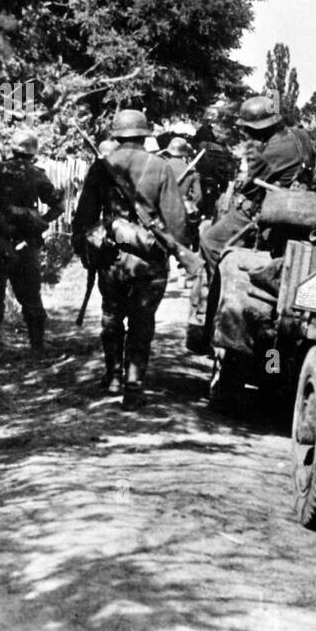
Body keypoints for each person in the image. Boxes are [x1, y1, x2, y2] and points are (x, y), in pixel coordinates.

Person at [71, 109, 189, 410]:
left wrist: (86, 253)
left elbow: (83, 217)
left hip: (112, 258)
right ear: (144, 134)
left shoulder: (102, 167)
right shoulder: (161, 167)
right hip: (149, 261)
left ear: (117, 134)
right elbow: (177, 223)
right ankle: (134, 387)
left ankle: (112, 376)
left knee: (111, 316)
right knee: (142, 323)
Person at [0, 128, 63, 357]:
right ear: (33, 153)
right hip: (24, 244)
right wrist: (40, 221)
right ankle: (37, 349)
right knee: (31, 296)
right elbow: (58, 207)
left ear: (11, 149)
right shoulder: (36, 174)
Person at [196, 94, 316, 265]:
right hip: (300, 200)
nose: (245, 132)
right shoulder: (300, 134)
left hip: (273, 207)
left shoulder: (270, 153)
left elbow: (250, 189)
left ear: (258, 129)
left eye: (247, 128)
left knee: (210, 241)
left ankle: (215, 286)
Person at [190, 120, 237, 224]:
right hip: (214, 180)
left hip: (203, 178)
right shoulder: (221, 149)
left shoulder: (202, 145)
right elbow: (228, 168)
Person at [161, 136, 204, 241]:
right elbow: (198, 196)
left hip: (162, 211)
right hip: (181, 213)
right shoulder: (191, 171)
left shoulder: (162, 166)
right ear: (185, 152)